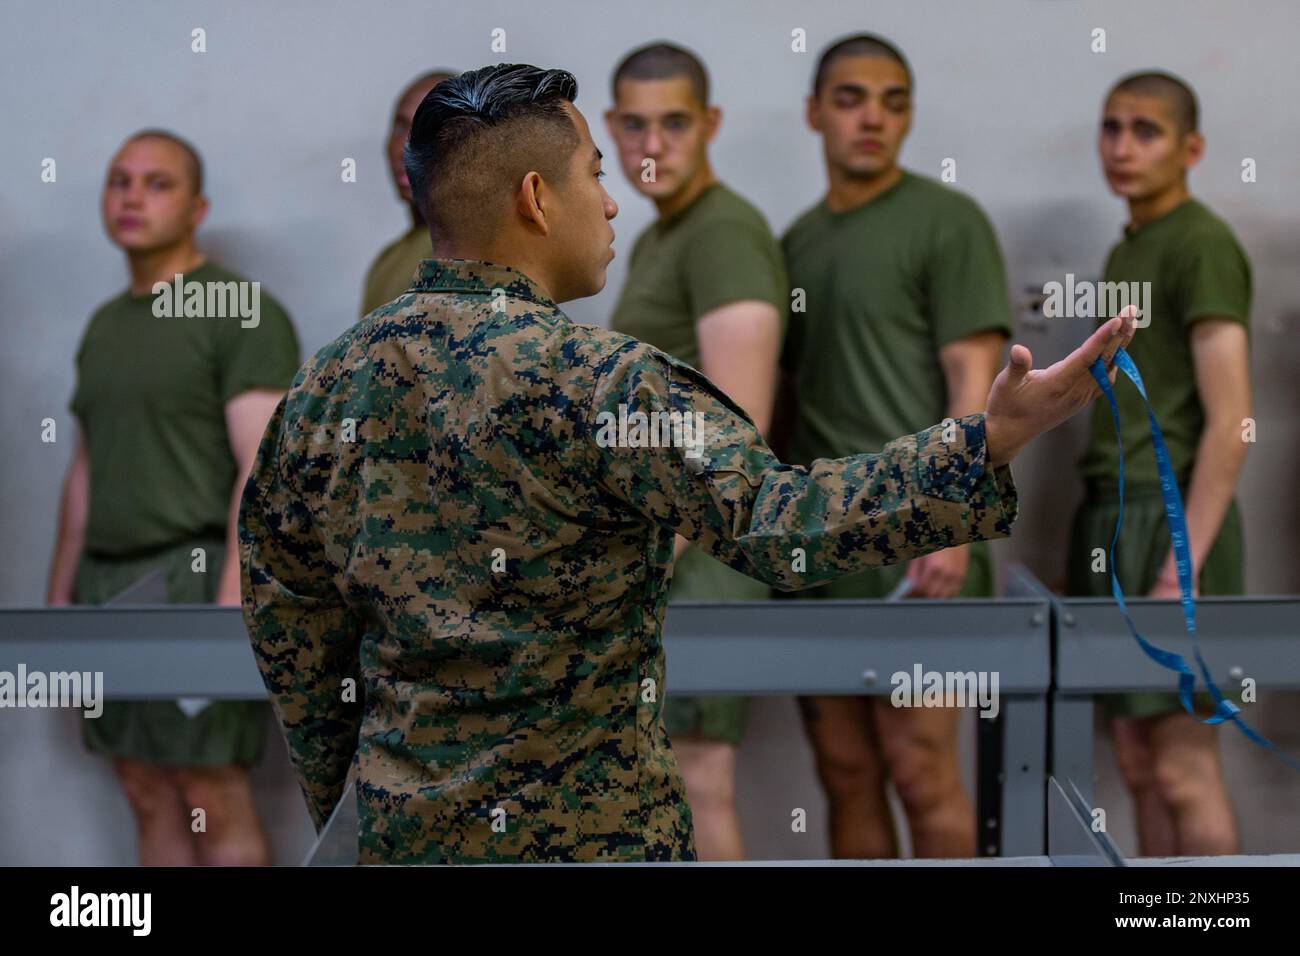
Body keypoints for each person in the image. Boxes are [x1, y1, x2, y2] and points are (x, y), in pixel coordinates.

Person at [239, 63, 1136, 865]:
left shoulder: (323, 389)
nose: (612, 201)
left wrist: (367, 802)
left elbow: (290, 628)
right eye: (596, 173)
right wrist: (987, 443)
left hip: (401, 840)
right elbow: (783, 525)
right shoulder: (601, 384)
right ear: (536, 199)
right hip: (595, 839)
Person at [777, 33, 1011, 859]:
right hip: (821, 546)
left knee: (921, 771)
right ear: (814, 112)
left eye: (893, 101)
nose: (872, 118)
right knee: (846, 772)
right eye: (851, 99)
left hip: (925, 542)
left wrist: (951, 523)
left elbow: (973, 379)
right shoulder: (794, 243)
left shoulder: (948, 221)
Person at [46, 130, 301, 865]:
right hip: (109, 585)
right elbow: (86, 471)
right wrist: (60, 603)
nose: (132, 197)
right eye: (119, 180)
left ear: (197, 208)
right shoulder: (105, 325)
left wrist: (227, 608)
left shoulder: (239, 309)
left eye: (157, 183)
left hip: (194, 581)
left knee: (208, 791)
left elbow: (263, 472)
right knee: (143, 787)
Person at [605, 41, 785, 860]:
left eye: (674, 123)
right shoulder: (659, 238)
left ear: (711, 123)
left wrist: (648, 560)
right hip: (668, 554)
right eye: (635, 125)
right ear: (610, 127)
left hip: (700, 558)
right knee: (661, 785)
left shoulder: (723, 232)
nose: (653, 145)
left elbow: (736, 437)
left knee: (697, 781)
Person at [1067, 71, 1251, 857]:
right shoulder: (1128, 247)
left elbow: (1234, 421)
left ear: (1191, 148)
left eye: (1146, 131)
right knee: (1139, 766)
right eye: (1111, 128)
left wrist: (1185, 556)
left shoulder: (1201, 242)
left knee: (1182, 764)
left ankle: (1218, 915)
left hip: (1172, 517)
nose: (1122, 147)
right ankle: (1158, 914)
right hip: (1112, 512)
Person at [359, 68, 456, 316]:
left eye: (429, 130)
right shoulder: (389, 259)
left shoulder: (470, 254)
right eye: (400, 127)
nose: (405, 147)